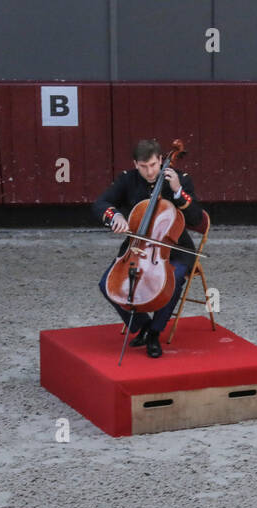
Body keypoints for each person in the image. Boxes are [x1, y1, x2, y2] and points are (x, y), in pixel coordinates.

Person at [93, 139, 205, 358]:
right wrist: (114, 216)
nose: (150, 171)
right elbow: (100, 204)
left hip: (175, 248)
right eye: (143, 167)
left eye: (153, 165)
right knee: (108, 285)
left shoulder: (179, 180)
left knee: (172, 280)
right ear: (136, 164)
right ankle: (142, 325)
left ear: (161, 160)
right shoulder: (128, 180)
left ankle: (154, 333)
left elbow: (196, 217)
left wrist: (177, 192)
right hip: (136, 248)